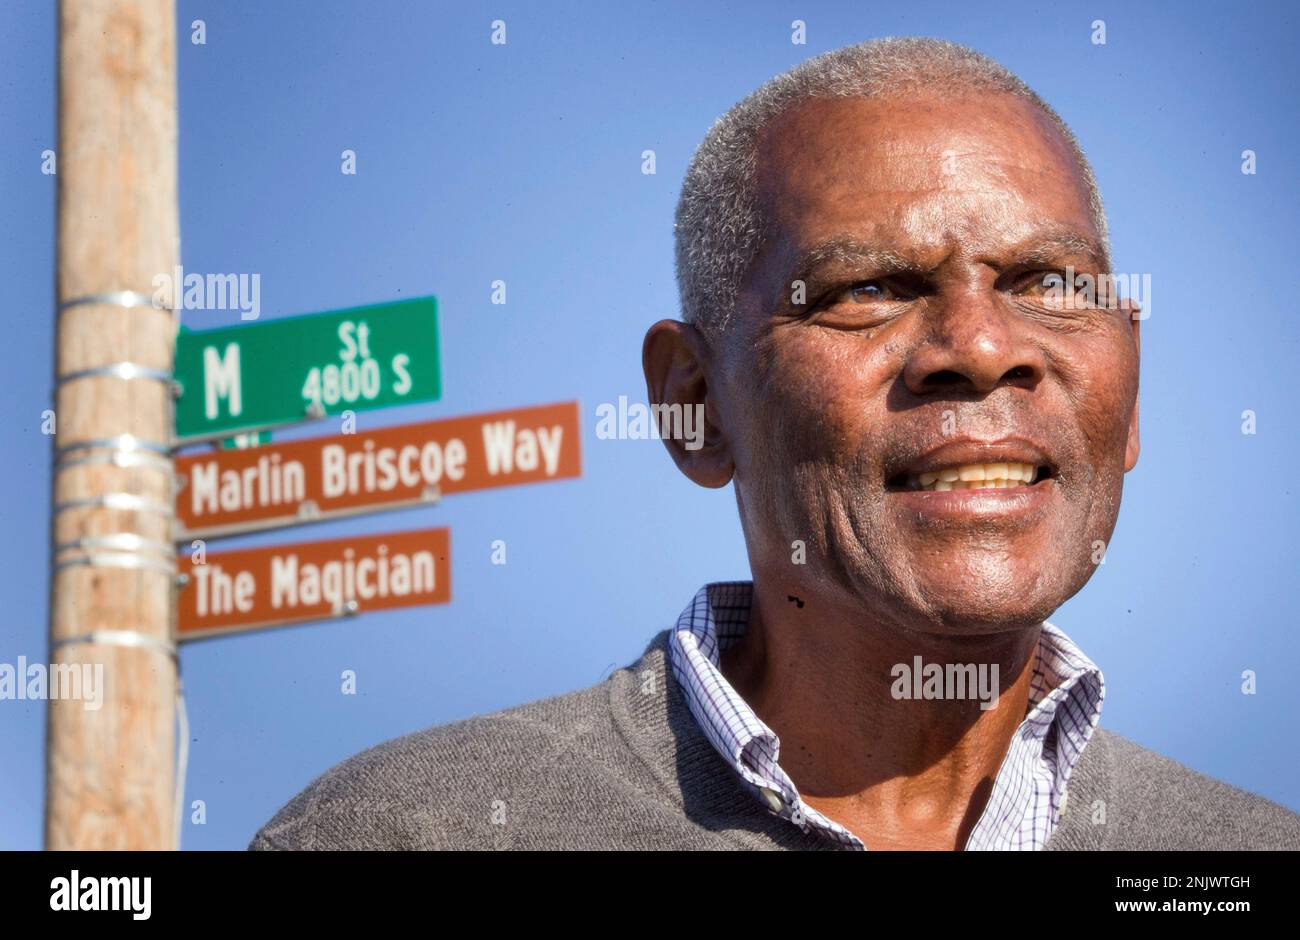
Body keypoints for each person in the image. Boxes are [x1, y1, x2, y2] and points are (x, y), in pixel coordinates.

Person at [250, 37, 1300, 850]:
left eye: (1047, 285)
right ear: (693, 404)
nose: (982, 346)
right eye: (869, 289)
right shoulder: (408, 832)